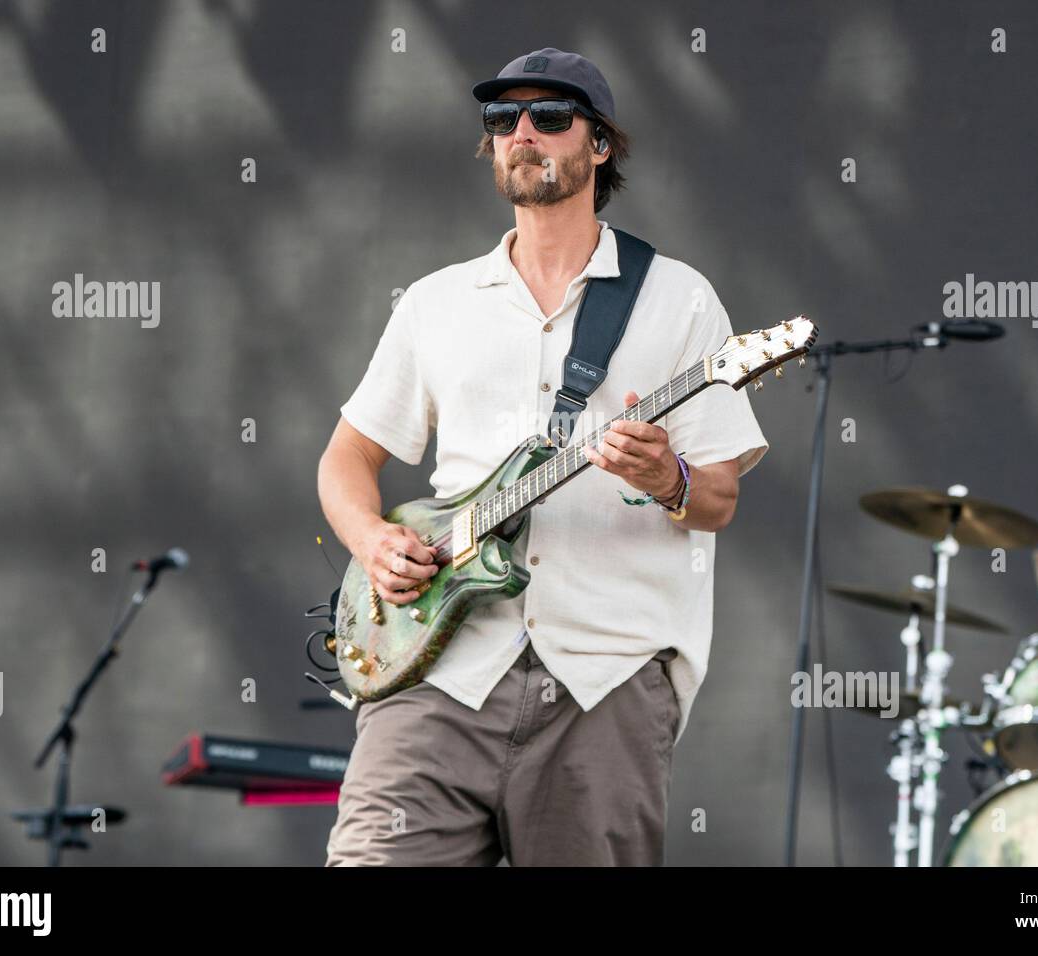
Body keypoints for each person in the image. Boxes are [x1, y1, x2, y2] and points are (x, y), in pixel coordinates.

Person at [319, 47, 768, 865]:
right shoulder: (437, 302)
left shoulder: (679, 299)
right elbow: (347, 457)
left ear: (599, 145)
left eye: (550, 117)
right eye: (502, 120)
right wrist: (371, 539)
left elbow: (719, 497)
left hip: (603, 679)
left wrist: (664, 476)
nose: (523, 133)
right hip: (438, 668)